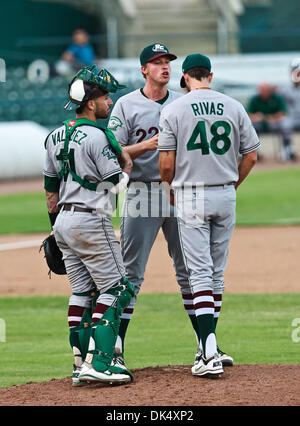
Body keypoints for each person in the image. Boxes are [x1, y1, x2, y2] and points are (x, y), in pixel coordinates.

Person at [108, 43, 234, 371]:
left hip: (180, 193)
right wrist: (145, 146)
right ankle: (115, 346)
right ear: (143, 70)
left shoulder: (183, 102)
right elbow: (111, 151)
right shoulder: (126, 104)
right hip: (141, 192)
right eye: (157, 62)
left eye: (167, 62)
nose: (164, 67)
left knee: (192, 271)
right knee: (131, 273)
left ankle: (206, 347)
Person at [158, 53, 260, 378]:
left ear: (185, 77)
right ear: (210, 76)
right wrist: (233, 184)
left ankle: (209, 351)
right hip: (225, 193)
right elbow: (252, 156)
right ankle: (208, 347)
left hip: (192, 194)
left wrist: (171, 187)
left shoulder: (173, 108)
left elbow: (165, 164)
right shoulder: (233, 106)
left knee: (198, 274)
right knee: (216, 273)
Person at [43, 64, 135, 386]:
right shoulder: (97, 136)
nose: (109, 102)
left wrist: (57, 229)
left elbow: (50, 192)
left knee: (81, 292)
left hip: (64, 221)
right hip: (90, 219)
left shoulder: (53, 136)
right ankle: (100, 362)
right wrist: (126, 165)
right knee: (119, 289)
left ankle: (79, 365)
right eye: (105, 97)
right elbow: (115, 185)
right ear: (91, 102)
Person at [247, 82, 295, 161]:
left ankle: (287, 150)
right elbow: (248, 115)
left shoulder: (277, 98)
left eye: (264, 90)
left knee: (286, 124)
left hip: (275, 123)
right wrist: (256, 117)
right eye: (261, 90)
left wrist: (272, 118)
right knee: (250, 127)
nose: (262, 92)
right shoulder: (254, 99)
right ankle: (253, 152)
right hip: (259, 124)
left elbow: (283, 113)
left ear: (269, 90)